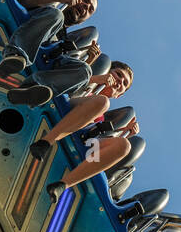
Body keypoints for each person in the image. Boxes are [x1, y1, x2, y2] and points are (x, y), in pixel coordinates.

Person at [34, 63, 135, 200]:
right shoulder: (92, 86)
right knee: (103, 103)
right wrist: (96, 79)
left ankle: (62, 185)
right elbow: (71, 83)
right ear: (108, 71)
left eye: (124, 83)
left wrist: (126, 133)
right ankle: (45, 143)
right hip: (67, 106)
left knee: (125, 146)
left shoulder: (102, 118)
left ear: (119, 95)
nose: (119, 81)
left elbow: (95, 139)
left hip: (82, 136)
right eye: (118, 74)